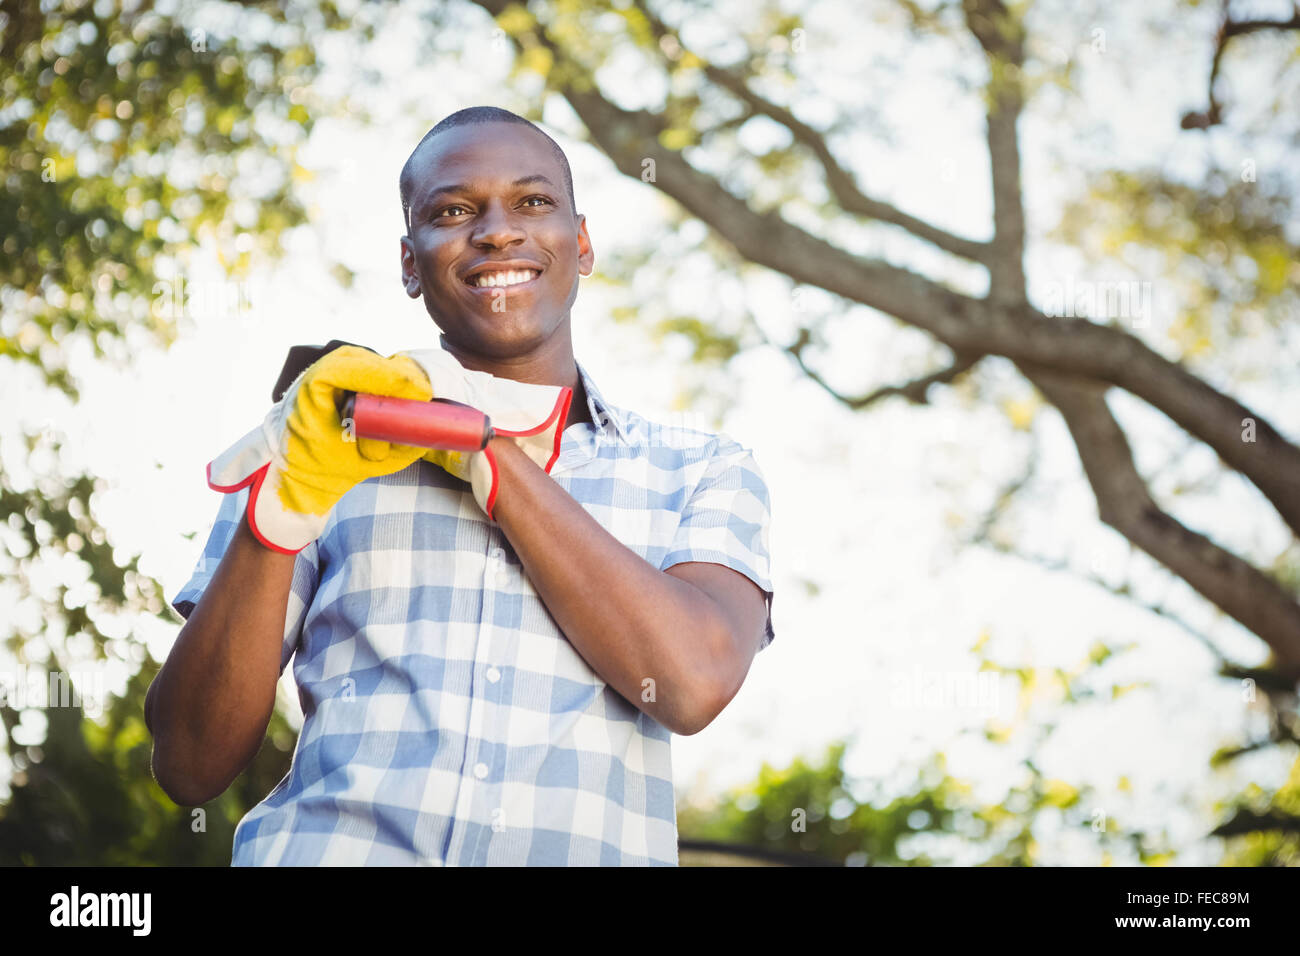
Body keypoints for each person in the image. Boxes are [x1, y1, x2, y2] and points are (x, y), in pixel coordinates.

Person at [145, 105, 776, 866]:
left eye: (533, 202)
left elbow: (691, 682)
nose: (498, 231)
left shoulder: (701, 470)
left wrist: (484, 452)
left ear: (581, 244)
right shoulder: (322, 438)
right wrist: (273, 519)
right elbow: (189, 762)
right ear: (411, 264)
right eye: (453, 211)